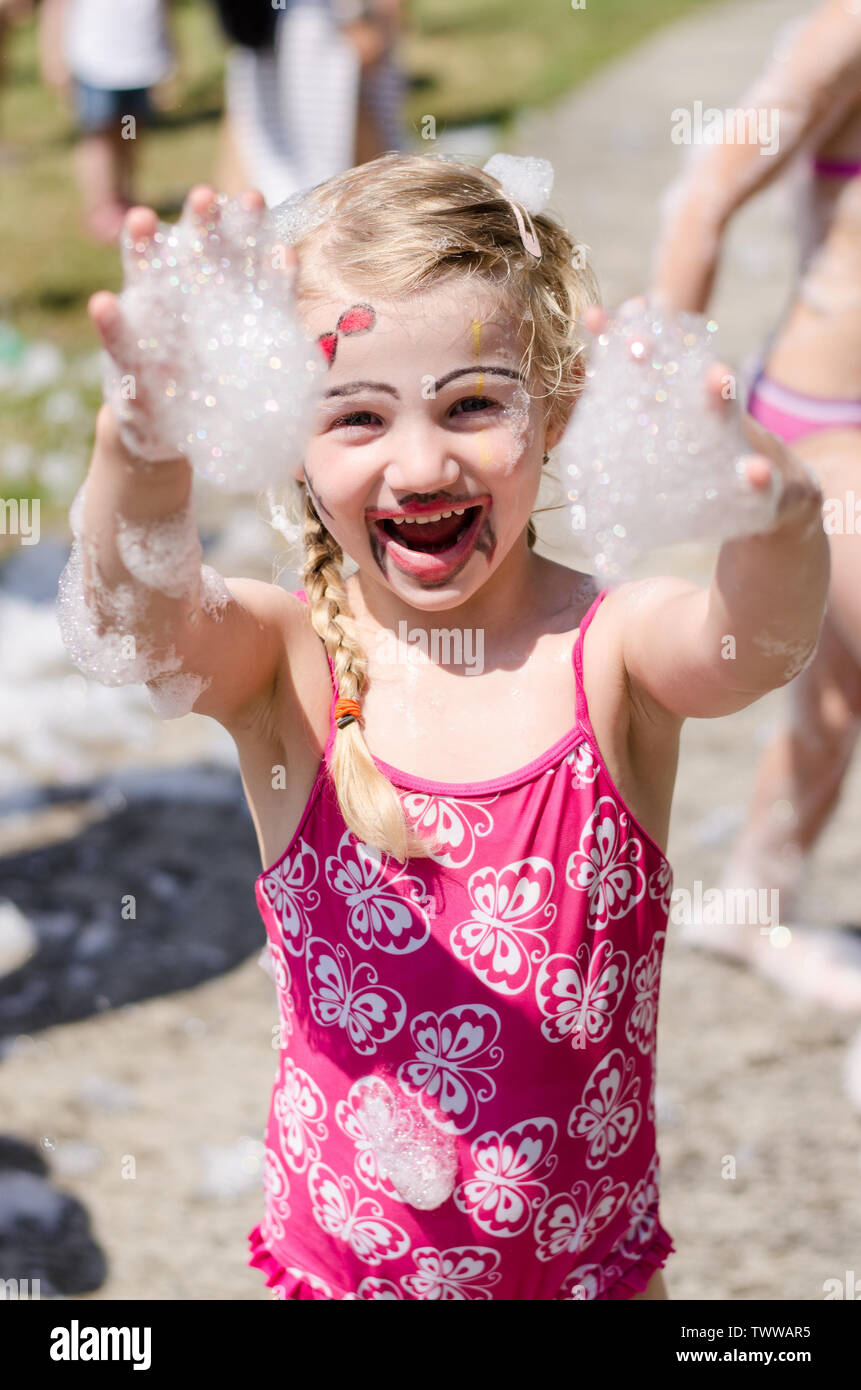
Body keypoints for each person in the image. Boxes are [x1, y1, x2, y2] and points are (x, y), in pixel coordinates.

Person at [75, 152, 826, 1299]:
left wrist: (779, 519)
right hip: (346, 1281)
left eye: (473, 402)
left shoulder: (609, 652)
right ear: (285, 430)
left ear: (558, 406)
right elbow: (138, 615)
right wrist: (141, 446)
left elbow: (754, 647)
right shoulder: (292, 666)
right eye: (356, 416)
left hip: (594, 1281)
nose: (420, 463)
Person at [651, 0, 861, 1007]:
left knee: (833, 699)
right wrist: (658, 410)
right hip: (832, 426)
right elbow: (702, 198)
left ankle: (752, 900)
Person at [215, 0, 405, 206]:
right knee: (252, 120)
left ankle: (384, 205)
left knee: (342, 110)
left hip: (321, 23)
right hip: (263, 24)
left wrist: (377, 15)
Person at [39, 0, 175, 242]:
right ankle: (101, 204)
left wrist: (168, 56)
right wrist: (54, 56)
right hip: (95, 63)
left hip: (139, 64)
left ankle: (126, 194)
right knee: (99, 136)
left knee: (129, 133)